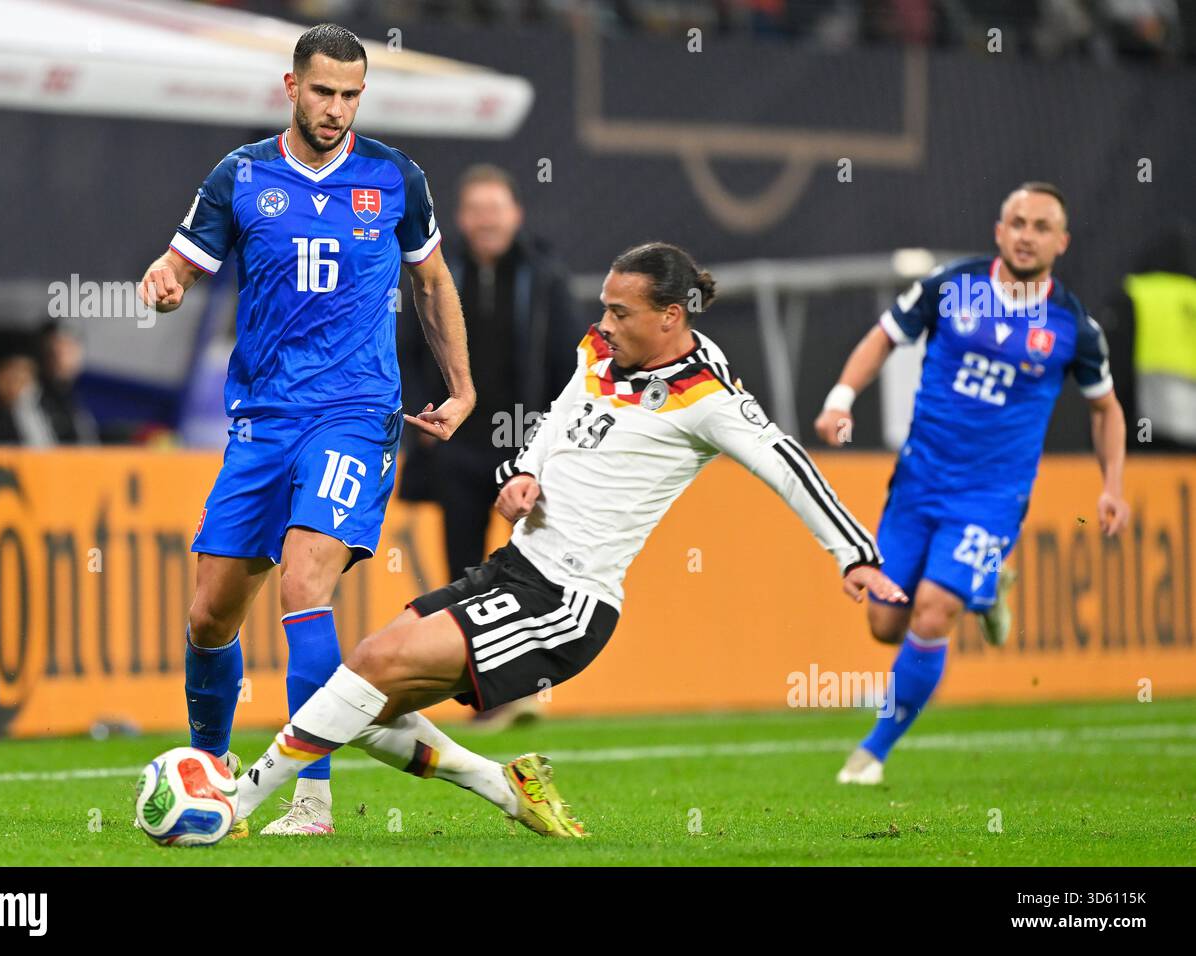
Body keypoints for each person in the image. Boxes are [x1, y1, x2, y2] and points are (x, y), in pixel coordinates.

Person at [230, 242, 906, 838]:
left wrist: (855, 556)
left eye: (621, 312)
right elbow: (563, 411)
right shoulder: (600, 353)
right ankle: (505, 786)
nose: (604, 324)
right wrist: (526, 469)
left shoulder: (708, 399)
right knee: (359, 705)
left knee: (372, 665)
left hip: (567, 602)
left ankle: (233, 804)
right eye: (606, 308)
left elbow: (788, 466)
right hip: (513, 569)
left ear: (671, 316)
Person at [136, 24, 474, 837]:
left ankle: (310, 799)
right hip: (261, 418)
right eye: (324, 92)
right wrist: (163, 278)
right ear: (291, 88)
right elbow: (183, 263)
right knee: (210, 615)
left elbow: (431, 281)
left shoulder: (394, 177)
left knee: (302, 586)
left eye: (352, 95)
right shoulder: (242, 175)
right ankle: (211, 772)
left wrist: (463, 389)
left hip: (356, 412)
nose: (337, 108)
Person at [812, 182, 1129, 786]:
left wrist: (1111, 484)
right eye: (1017, 222)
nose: (1027, 234)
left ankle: (873, 752)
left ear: (1061, 242)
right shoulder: (950, 287)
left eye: (1041, 226)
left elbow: (1105, 408)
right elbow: (884, 335)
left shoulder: (1073, 327)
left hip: (991, 497)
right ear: (998, 230)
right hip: (918, 483)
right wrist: (841, 398)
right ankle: (987, 590)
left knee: (933, 612)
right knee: (885, 625)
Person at [397, 163, 579, 729]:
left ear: (515, 214)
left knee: (531, 570)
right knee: (463, 573)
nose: (486, 219)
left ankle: (520, 683)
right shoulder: (437, 274)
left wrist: (555, 445)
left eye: (495, 208)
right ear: (460, 219)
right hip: (456, 450)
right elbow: (409, 354)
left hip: (524, 452)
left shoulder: (544, 278)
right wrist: (425, 432)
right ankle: (484, 697)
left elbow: (565, 366)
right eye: (476, 210)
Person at [0, 330, 55, 446]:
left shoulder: (39, 407)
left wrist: (25, 409)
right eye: (10, 371)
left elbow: (46, 453)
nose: (17, 381)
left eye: (26, 372)